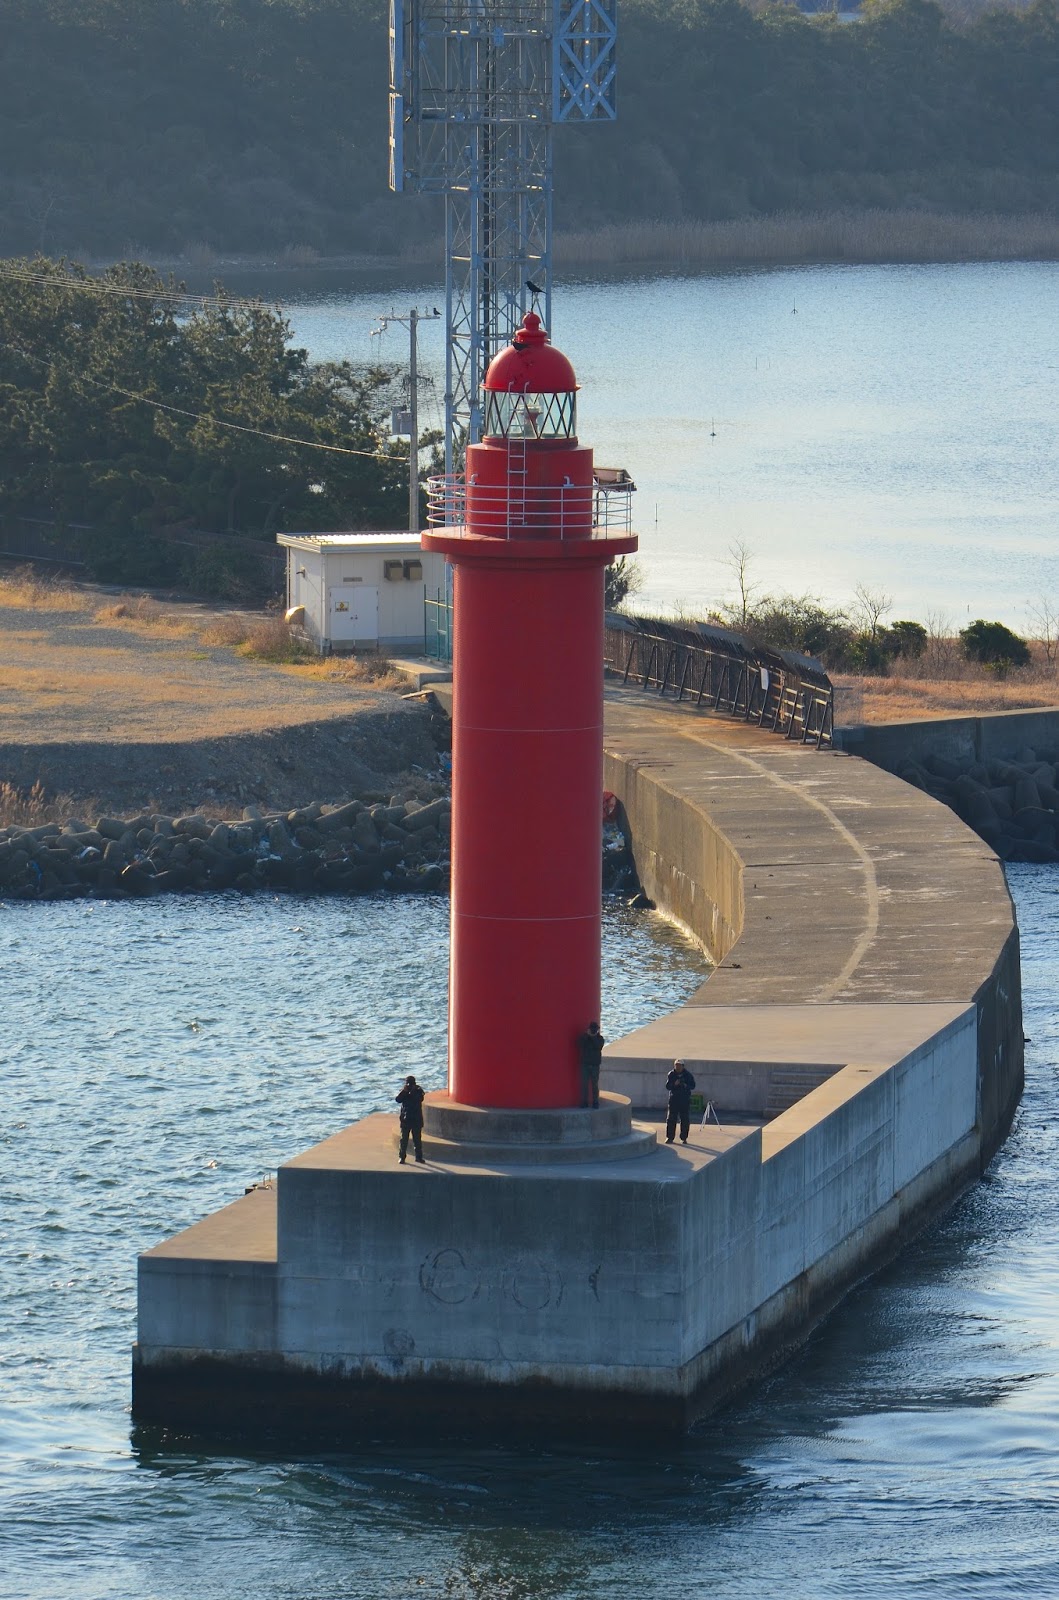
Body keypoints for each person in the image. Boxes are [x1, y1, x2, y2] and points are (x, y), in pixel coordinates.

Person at [395, 1074, 426, 1164]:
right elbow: (398, 1100)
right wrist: (404, 1091)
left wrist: (413, 1091)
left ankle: (419, 1157)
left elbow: (420, 1099)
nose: (409, 1085)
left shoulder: (418, 1090)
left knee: (417, 1140)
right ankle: (402, 1157)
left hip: (416, 1119)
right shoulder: (404, 1091)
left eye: (410, 1084)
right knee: (403, 1140)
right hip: (406, 1119)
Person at [665, 1058, 696, 1145]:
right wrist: (674, 1084)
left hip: (684, 1100)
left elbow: (693, 1086)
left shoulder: (688, 1075)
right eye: (676, 1065)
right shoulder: (671, 1074)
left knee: (685, 1119)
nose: (677, 1067)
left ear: (683, 1066)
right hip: (674, 1099)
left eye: (679, 1065)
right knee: (671, 1119)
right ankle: (670, 1137)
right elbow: (668, 1086)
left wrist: (685, 1085)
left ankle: (684, 1138)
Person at [577, 1021, 605, 1108]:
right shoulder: (584, 1037)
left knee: (594, 1085)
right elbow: (580, 1044)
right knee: (584, 1084)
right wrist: (587, 1036)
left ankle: (595, 1102)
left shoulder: (600, 1039)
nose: (593, 1031)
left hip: (595, 1065)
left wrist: (593, 1037)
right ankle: (584, 1102)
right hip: (585, 1064)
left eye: (595, 1029)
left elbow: (598, 1046)